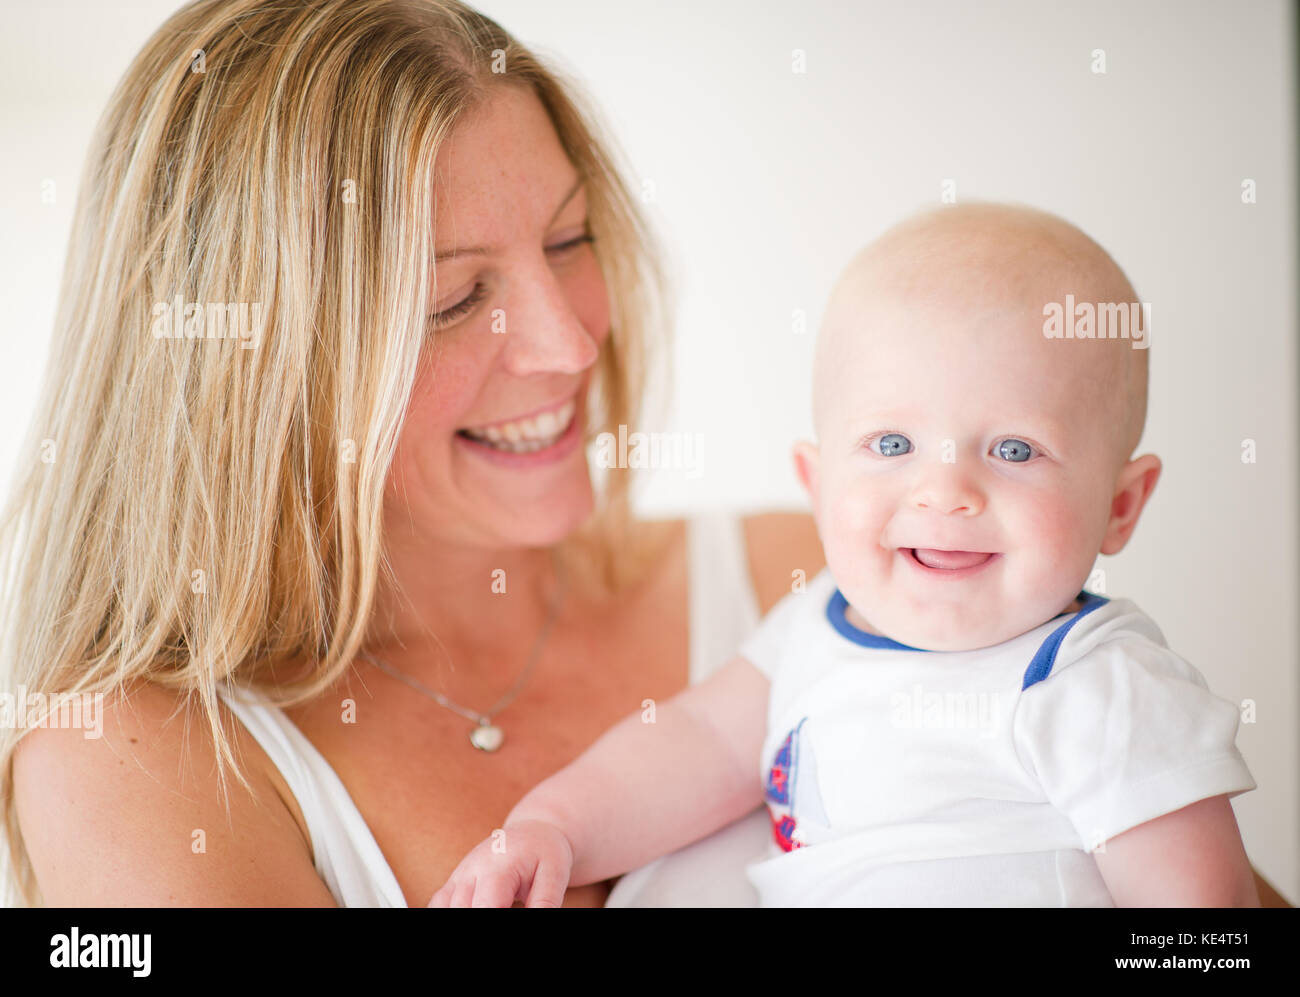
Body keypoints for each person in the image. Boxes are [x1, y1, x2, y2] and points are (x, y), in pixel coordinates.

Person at [0, 0, 818, 906]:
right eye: (454, 299)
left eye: (569, 240)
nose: (568, 344)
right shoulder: (134, 760)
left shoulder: (817, 571)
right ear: (250, 370)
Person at [430, 204, 1262, 907]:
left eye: (1014, 449)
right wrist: (556, 827)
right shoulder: (808, 627)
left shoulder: (1099, 685)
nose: (945, 492)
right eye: (892, 443)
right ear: (817, 484)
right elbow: (696, 742)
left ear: (1120, 505)